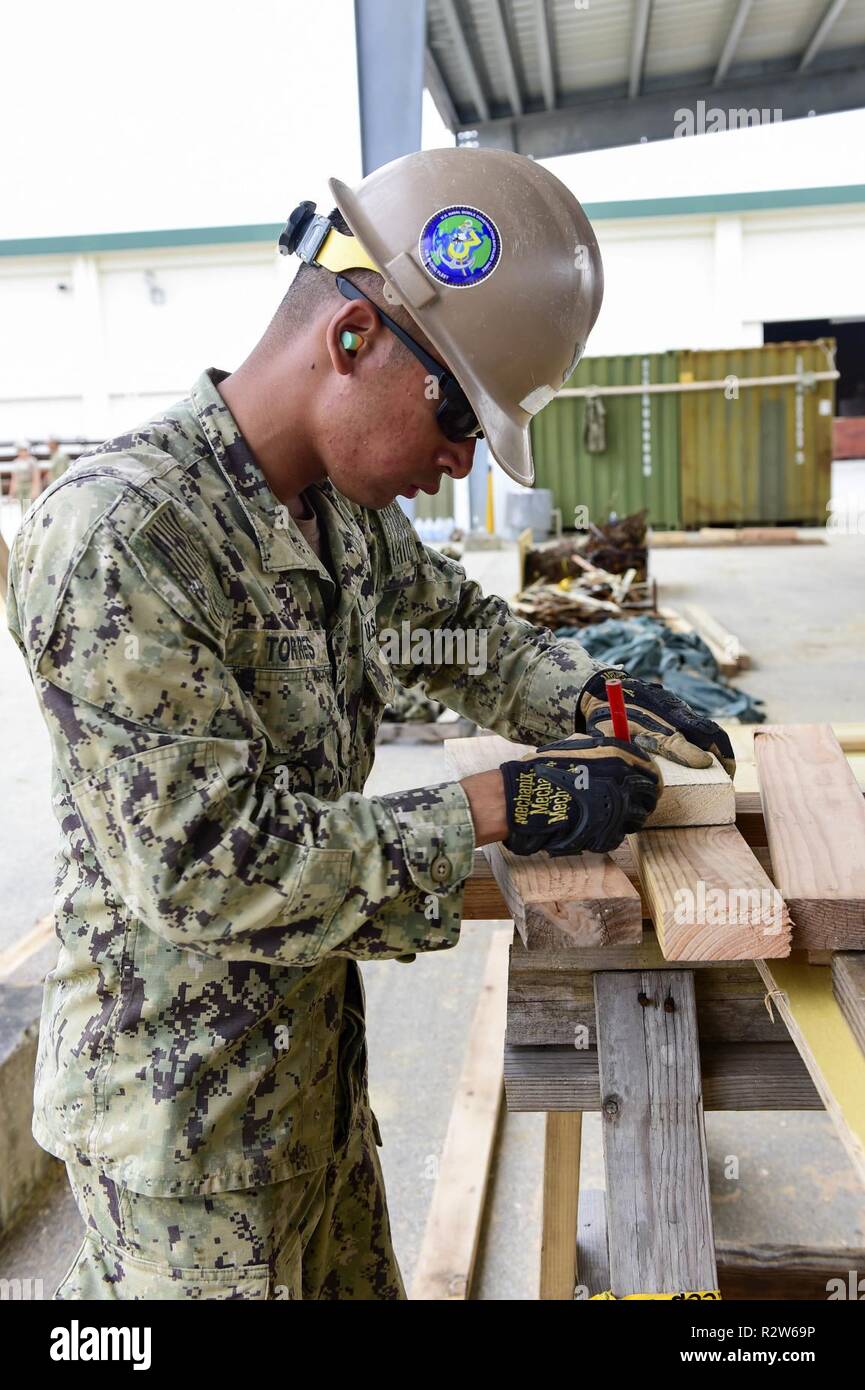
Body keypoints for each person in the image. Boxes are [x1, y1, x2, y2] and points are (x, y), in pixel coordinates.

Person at [6, 148, 735, 1301]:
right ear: (352, 339)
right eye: (456, 418)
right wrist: (511, 801)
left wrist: (593, 703)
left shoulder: (336, 514)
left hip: (312, 1088)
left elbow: (455, 629)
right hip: (184, 1150)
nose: (455, 466)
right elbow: (212, 870)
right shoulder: (123, 541)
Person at [6, 441, 40, 510]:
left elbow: (36, 477)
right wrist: (11, 493)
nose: (23, 453)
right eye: (21, 451)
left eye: (25, 450)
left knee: (28, 506)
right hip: (20, 487)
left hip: (29, 486)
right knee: (22, 507)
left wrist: (35, 489)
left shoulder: (32, 461)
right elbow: (14, 479)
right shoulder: (16, 462)